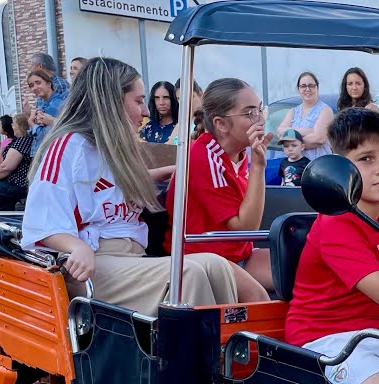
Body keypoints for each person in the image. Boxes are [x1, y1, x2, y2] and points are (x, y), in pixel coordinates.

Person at [22, 57, 240, 314]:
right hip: (91, 261)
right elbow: (40, 221)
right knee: (188, 275)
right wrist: (76, 247)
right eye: (138, 101)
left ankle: (228, 347)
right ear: (111, 102)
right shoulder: (68, 147)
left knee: (216, 265)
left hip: (128, 256)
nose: (146, 111)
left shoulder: (110, 148)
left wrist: (155, 175)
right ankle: (192, 353)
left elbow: (102, 189)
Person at [285, 109, 379, 384]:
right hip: (327, 341)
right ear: (341, 169)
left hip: (377, 336)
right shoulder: (336, 222)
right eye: (366, 159)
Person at [165, 78, 273, 301]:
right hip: (202, 258)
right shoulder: (204, 157)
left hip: (237, 255)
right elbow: (245, 228)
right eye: (249, 113)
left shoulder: (238, 153)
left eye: (260, 110)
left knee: (303, 269)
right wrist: (259, 167)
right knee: (257, 297)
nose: (260, 120)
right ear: (221, 124)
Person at [0, 113, 34, 211]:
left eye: (13, 124)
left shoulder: (23, 141)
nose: (12, 126)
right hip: (14, 181)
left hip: (18, 183)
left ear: (20, 126)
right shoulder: (19, 140)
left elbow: (7, 167)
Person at [275, 71, 332, 160]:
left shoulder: (325, 110)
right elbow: (280, 132)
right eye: (303, 86)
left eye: (311, 85)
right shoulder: (293, 111)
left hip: (318, 166)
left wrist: (290, 139)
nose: (307, 89)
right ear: (299, 89)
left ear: (317, 88)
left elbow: (319, 138)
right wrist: (310, 131)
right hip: (295, 167)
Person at [26, 68, 67, 142]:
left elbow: (44, 136)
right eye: (31, 85)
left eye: (38, 83)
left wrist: (31, 123)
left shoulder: (56, 104)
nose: (35, 87)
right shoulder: (42, 106)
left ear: (49, 84)